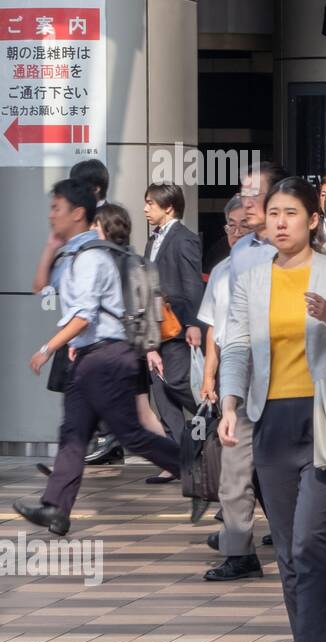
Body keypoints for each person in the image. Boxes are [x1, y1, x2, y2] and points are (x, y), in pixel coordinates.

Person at [218, 177, 326, 642]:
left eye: (291, 212)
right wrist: (230, 406)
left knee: (309, 540)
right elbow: (236, 346)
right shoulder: (251, 279)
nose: (280, 221)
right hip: (271, 424)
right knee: (287, 549)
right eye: (273, 212)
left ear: (313, 219)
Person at [16, 183, 181, 536]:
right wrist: (50, 246)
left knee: (131, 434)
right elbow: (40, 284)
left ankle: (200, 472)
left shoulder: (91, 257)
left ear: (78, 213)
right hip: (91, 356)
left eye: (57, 207)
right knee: (74, 433)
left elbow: (84, 315)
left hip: (109, 357)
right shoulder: (74, 254)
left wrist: (48, 349)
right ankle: (56, 509)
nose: (51, 214)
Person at [197, 196, 265, 582]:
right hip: (236, 378)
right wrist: (210, 377)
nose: (237, 232)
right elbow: (214, 330)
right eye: (232, 226)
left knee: (277, 469)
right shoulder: (223, 270)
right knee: (234, 470)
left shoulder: (273, 265)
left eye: (245, 225)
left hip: (275, 375)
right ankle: (239, 549)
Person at [142, 182, 205, 488]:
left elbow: (192, 284)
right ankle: (177, 460)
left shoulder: (185, 239)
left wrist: (194, 323)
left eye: (150, 204)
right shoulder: (152, 240)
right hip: (155, 328)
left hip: (177, 327)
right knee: (162, 393)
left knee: (178, 382)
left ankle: (214, 416)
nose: (145, 209)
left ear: (168, 207)